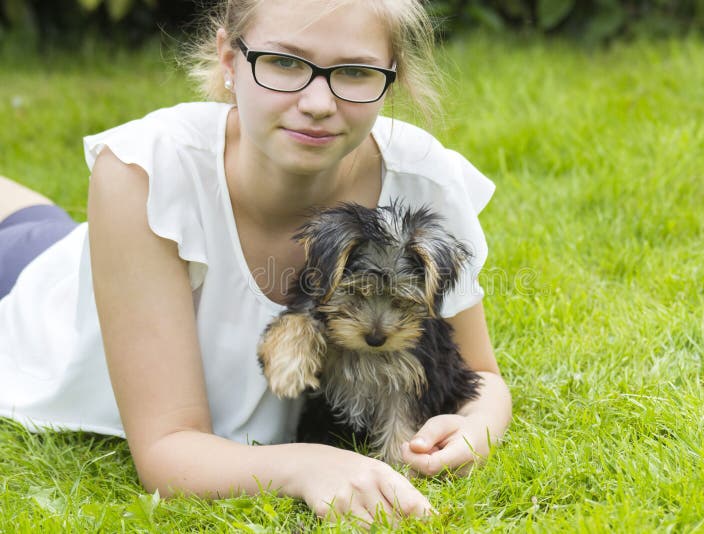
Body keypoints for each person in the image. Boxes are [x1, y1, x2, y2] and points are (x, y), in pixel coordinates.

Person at [0, 0, 511, 524]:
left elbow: (481, 375)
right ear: (229, 59)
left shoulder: (421, 179)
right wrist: (308, 465)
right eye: (284, 62)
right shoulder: (146, 174)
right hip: (30, 296)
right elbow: (166, 451)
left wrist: (476, 426)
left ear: (392, 77)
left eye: (355, 71)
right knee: (28, 237)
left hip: (81, 249)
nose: (317, 102)